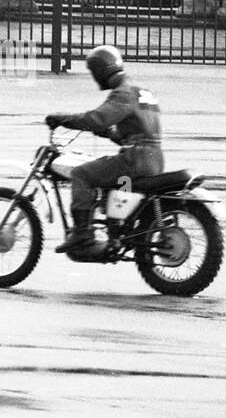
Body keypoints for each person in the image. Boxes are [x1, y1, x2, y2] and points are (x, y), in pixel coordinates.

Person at [46, 45, 163, 258]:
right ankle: (116, 232)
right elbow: (133, 131)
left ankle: (83, 235)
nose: (94, 78)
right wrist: (108, 133)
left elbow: (96, 119)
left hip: (134, 160)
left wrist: (62, 119)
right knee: (115, 182)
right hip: (152, 159)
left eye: (93, 73)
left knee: (82, 174)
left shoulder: (123, 93)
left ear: (101, 71)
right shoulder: (141, 92)